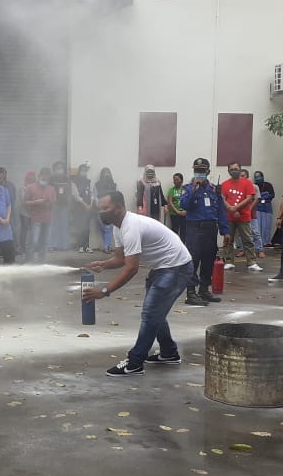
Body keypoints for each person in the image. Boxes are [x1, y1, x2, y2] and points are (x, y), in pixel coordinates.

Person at [83, 190, 194, 375]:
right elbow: (120, 259)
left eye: (105, 208)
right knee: (155, 313)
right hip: (163, 267)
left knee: (151, 314)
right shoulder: (118, 227)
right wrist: (103, 264)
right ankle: (169, 353)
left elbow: (131, 268)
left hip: (176, 267)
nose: (101, 212)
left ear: (119, 208)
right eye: (100, 208)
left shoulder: (131, 227)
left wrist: (103, 291)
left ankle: (135, 362)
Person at [180, 158, 230, 306]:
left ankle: (204, 289)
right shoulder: (188, 188)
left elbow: (221, 211)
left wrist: (225, 230)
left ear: (208, 172)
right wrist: (194, 190)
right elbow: (185, 205)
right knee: (193, 260)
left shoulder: (214, 189)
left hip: (211, 229)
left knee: (209, 260)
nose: (199, 173)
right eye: (197, 170)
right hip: (194, 228)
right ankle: (191, 293)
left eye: (202, 170)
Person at [221, 162, 262, 271]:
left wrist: (236, 208)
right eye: (231, 169)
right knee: (228, 240)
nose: (234, 171)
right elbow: (222, 199)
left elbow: (249, 198)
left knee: (248, 240)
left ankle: (252, 262)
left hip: (244, 216)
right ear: (228, 171)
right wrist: (230, 209)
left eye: (236, 169)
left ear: (240, 169)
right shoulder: (224, 184)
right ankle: (228, 261)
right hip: (229, 217)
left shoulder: (247, 183)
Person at [24, 167, 56, 263]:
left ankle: (41, 261)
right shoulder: (30, 187)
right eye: (43, 178)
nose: (45, 180)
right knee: (34, 241)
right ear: (39, 176)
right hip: (35, 219)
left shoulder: (51, 189)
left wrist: (50, 202)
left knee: (45, 242)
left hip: (47, 219)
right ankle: (29, 261)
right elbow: (25, 203)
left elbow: (54, 203)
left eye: (47, 179)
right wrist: (36, 202)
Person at [48, 161, 71, 251]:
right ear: (54, 169)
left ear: (63, 169)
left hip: (64, 206)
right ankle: (53, 245)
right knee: (53, 226)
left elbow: (69, 193)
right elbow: (48, 191)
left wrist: (69, 204)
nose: (59, 170)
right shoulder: (51, 180)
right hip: (54, 205)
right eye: (57, 168)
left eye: (61, 168)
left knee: (64, 225)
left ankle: (64, 245)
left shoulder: (67, 179)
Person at [73, 163, 94, 252]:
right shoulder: (74, 182)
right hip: (79, 207)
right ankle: (80, 246)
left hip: (88, 207)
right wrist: (85, 204)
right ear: (79, 171)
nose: (83, 172)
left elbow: (92, 193)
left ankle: (87, 246)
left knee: (87, 227)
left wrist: (91, 204)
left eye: (85, 171)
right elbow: (76, 195)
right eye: (82, 170)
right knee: (80, 227)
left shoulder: (89, 182)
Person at [95, 167, 117, 252]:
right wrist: (99, 206)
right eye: (105, 173)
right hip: (101, 208)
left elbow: (117, 195)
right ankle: (107, 246)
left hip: (111, 208)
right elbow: (95, 196)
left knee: (109, 228)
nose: (107, 175)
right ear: (102, 175)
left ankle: (107, 246)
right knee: (105, 228)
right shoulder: (97, 185)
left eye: (108, 173)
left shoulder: (114, 185)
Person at [253, 170, 275, 250]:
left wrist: (262, 197)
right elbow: (254, 197)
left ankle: (266, 242)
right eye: (256, 177)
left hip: (267, 208)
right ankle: (259, 243)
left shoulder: (268, 185)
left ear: (262, 176)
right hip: (258, 208)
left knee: (267, 226)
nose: (257, 178)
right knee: (258, 227)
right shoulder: (254, 186)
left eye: (259, 176)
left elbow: (272, 195)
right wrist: (265, 195)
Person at [17, 170, 36, 256]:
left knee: (33, 231)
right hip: (25, 213)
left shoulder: (37, 187)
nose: (32, 179)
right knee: (24, 230)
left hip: (34, 214)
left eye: (33, 177)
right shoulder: (23, 188)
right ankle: (22, 248)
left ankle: (32, 247)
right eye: (30, 177)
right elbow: (23, 201)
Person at [166, 173, 187, 241]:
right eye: (174, 180)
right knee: (175, 230)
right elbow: (170, 202)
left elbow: (188, 200)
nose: (175, 181)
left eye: (177, 179)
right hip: (174, 213)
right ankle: (174, 244)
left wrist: (185, 211)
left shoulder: (185, 189)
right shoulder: (171, 190)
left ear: (181, 180)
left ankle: (183, 244)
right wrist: (177, 211)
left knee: (184, 231)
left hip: (184, 213)